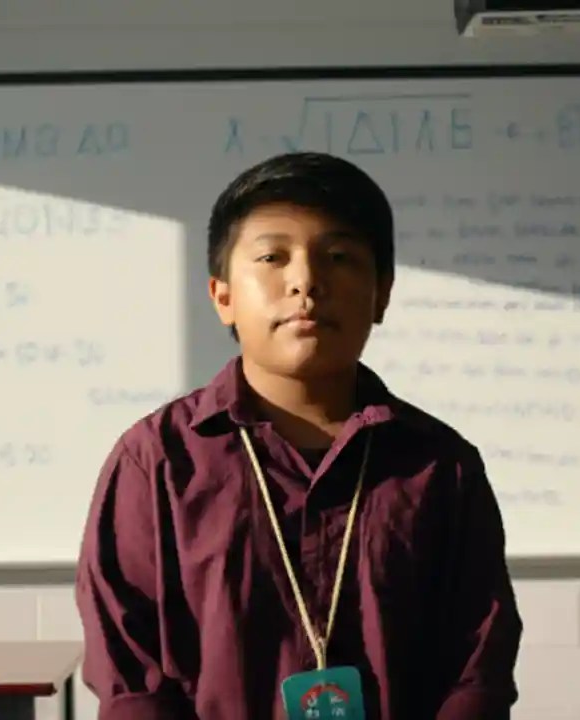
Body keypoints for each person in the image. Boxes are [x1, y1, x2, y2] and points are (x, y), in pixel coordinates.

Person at [75, 151, 522, 719]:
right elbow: (132, 674)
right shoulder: (156, 461)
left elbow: (476, 667)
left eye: (338, 257)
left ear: (382, 294)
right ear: (223, 296)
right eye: (271, 257)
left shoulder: (439, 466)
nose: (306, 281)